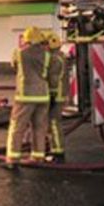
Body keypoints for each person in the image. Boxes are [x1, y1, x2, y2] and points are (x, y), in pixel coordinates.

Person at [3, 26, 51, 170]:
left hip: (25, 95)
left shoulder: (19, 53)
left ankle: (12, 158)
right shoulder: (47, 55)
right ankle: (38, 156)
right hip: (43, 95)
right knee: (39, 127)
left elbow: (14, 67)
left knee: (17, 127)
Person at [44, 31, 68, 162]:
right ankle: (54, 149)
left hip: (56, 95)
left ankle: (58, 152)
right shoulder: (60, 56)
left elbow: (53, 79)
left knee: (53, 123)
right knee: (53, 123)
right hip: (59, 94)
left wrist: (52, 95)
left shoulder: (54, 59)